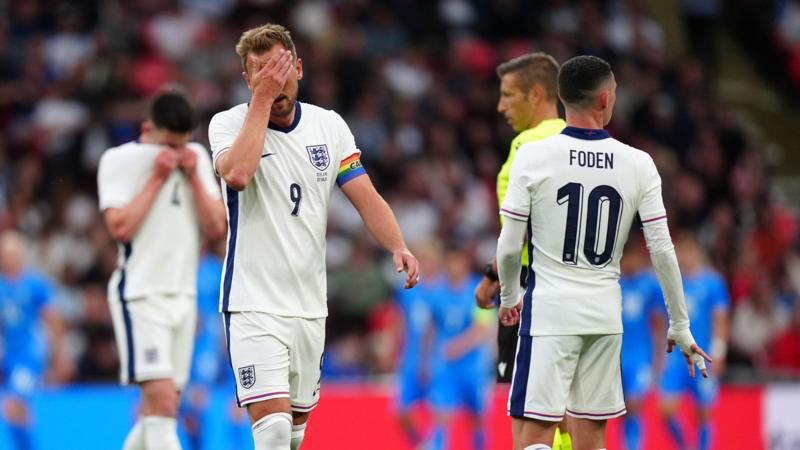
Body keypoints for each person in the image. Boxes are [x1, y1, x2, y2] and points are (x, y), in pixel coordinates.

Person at [208, 23, 419, 450]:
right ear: (247, 80)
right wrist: (262, 100)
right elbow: (239, 173)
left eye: (281, 67)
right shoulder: (227, 124)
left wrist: (398, 244)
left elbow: (366, 197)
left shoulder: (329, 126)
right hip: (253, 304)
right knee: (273, 429)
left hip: (308, 306)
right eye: (261, 71)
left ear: (300, 69)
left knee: (295, 435)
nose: (273, 78)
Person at [495, 55, 711, 450]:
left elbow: (510, 245)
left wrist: (509, 297)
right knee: (592, 437)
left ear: (560, 97)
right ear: (605, 99)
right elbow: (662, 250)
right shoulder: (639, 164)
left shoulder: (533, 156)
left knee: (534, 436)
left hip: (549, 312)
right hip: (604, 315)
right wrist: (680, 324)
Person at [97, 91, 226, 450]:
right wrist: (156, 179)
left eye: (183, 143)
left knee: (162, 409)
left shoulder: (196, 158)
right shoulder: (119, 160)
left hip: (184, 296)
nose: (175, 151)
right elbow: (120, 228)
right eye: (168, 144)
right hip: (140, 294)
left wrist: (195, 178)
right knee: (163, 402)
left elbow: (216, 228)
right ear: (147, 129)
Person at [472, 52, 570, 449]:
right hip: (583, 292)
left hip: (532, 292)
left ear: (536, 93)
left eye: (508, 96)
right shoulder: (583, 140)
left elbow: (520, 232)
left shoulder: (527, 146)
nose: (500, 106)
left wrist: (494, 278)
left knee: (529, 415)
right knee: (572, 410)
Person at [660, 234, 729, 450]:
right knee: (666, 411)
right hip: (677, 359)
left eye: (687, 252)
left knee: (704, 414)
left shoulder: (712, 282)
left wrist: (719, 352)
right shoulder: (672, 284)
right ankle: (684, 446)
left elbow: (721, 319)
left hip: (703, 355)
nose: (683, 257)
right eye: (680, 253)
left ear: (696, 253)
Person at [0, 230, 68, 450]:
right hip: (8, 356)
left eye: (11, 253)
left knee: (13, 406)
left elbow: (53, 321)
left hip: (29, 355)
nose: (7, 258)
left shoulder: (34, 285)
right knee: (18, 413)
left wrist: (59, 355)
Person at [427, 243, 493, 450]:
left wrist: (458, 346)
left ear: (464, 263)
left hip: (474, 367)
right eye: (450, 261)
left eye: (458, 261)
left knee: (477, 419)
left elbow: (483, 328)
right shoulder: (438, 292)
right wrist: (426, 358)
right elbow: (431, 328)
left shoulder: (479, 290)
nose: (454, 266)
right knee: (442, 416)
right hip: (446, 368)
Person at [619, 236, 665, 450]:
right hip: (615, 357)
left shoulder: (649, 284)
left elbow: (658, 322)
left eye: (636, 258)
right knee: (622, 409)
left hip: (640, 357)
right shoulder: (612, 282)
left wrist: (659, 357)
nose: (632, 263)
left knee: (635, 404)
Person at [394, 243, 439, 448]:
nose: (428, 264)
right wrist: (396, 353)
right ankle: (420, 444)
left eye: (431, 260)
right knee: (401, 412)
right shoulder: (408, 291)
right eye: (424, 259)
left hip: (437, 361)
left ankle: (435, 444)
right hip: (411, 360)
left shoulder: (443, 292)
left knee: (439, 411)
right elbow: (400, 323)